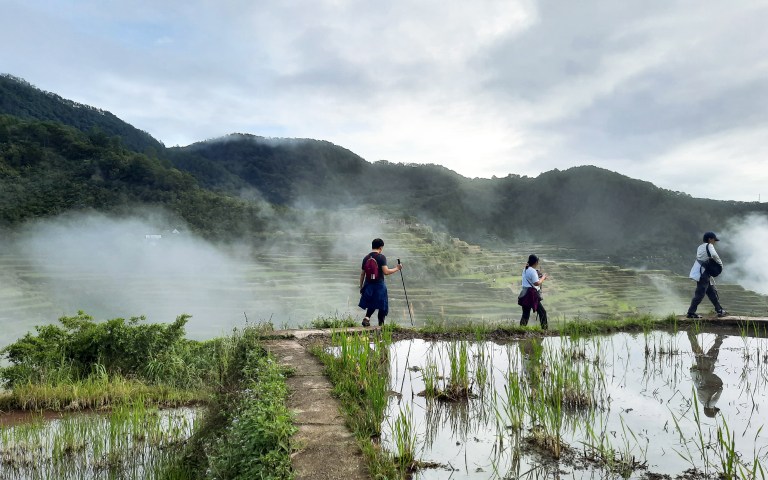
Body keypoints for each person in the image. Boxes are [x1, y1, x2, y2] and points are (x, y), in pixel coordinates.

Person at [358, 238, 402, 327]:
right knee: (382, 305)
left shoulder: (366, 258)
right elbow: (386, 272)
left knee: (372, 302)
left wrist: (361, 286)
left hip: (368, 284)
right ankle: (381, 325)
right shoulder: (381, 257)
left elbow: (362, 274)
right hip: (379, 285)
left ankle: (366, 318)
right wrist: (397, 268)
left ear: (372, 246)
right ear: (381, 247)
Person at [686, 231, 728, 319]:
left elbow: (703, 259)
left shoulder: (700, 247)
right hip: (704, 273)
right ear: (710, 239)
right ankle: (691, 313)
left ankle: (719, 310)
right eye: (714, 240)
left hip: (703, 272)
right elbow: (713, 255)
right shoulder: (709, 245)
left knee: (712, 292)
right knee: (700, 294)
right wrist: (720, 264)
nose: (714, 242)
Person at [687, 330, 726, 417]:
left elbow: (719, 391)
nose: (714, 407)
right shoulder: (702, 402)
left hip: (704, 376)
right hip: (699, 375)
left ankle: (719, 338)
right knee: (700, 354)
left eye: (714, 410)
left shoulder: (710, 405)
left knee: (711, 357)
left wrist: (719, 387)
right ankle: (691, 334)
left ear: (711, 411)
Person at [519, 254, 549, 329]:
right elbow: (537, 283)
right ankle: (545, 331)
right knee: (542, 312)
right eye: (537, 262)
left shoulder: (525, 269)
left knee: (525, 314)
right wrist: (543, 277)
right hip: (531, 295)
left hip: (524, 293)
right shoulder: (532, 271)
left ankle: (520, 330)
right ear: (535, 262)